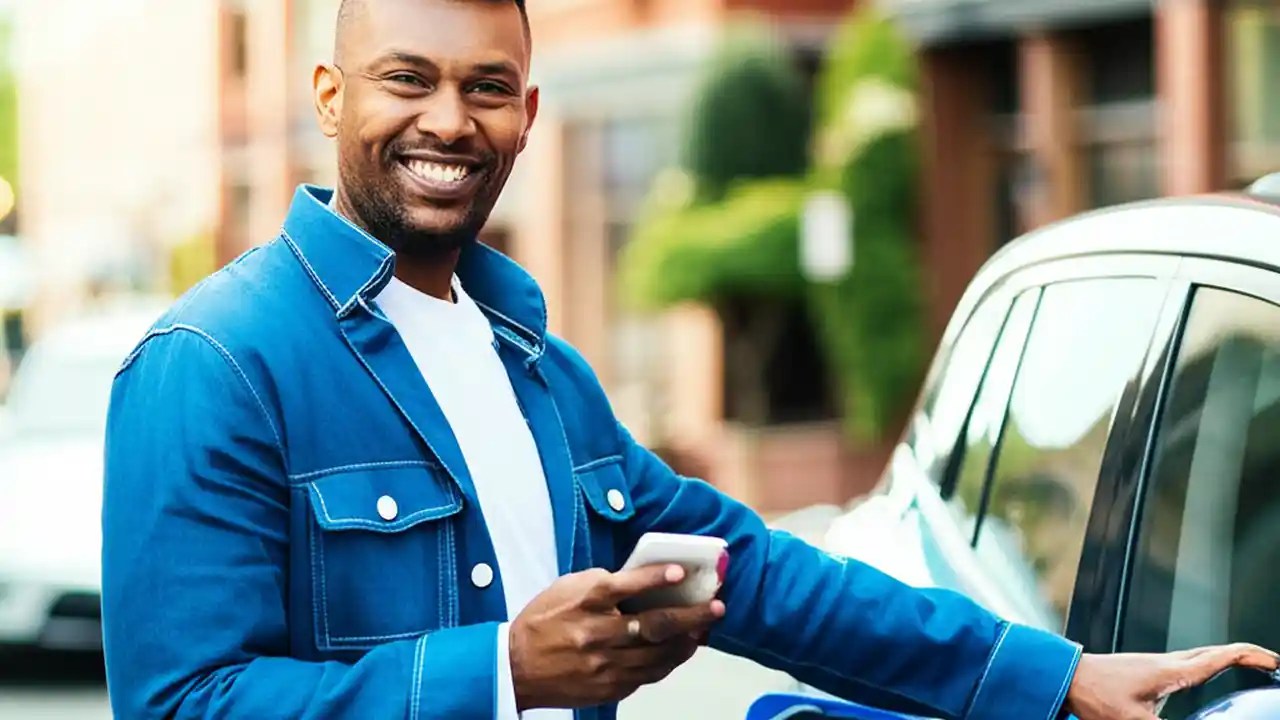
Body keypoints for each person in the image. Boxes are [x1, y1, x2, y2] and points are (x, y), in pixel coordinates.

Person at [100, 1, 1277, 718]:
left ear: (528, 111)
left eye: (487, 89)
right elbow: (184, 705)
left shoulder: (538, 369)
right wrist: (500, 671)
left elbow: (756, 573)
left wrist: (1055, 677)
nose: (450, 121)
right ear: (328, 94)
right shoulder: (213, 363)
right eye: (407, 79)